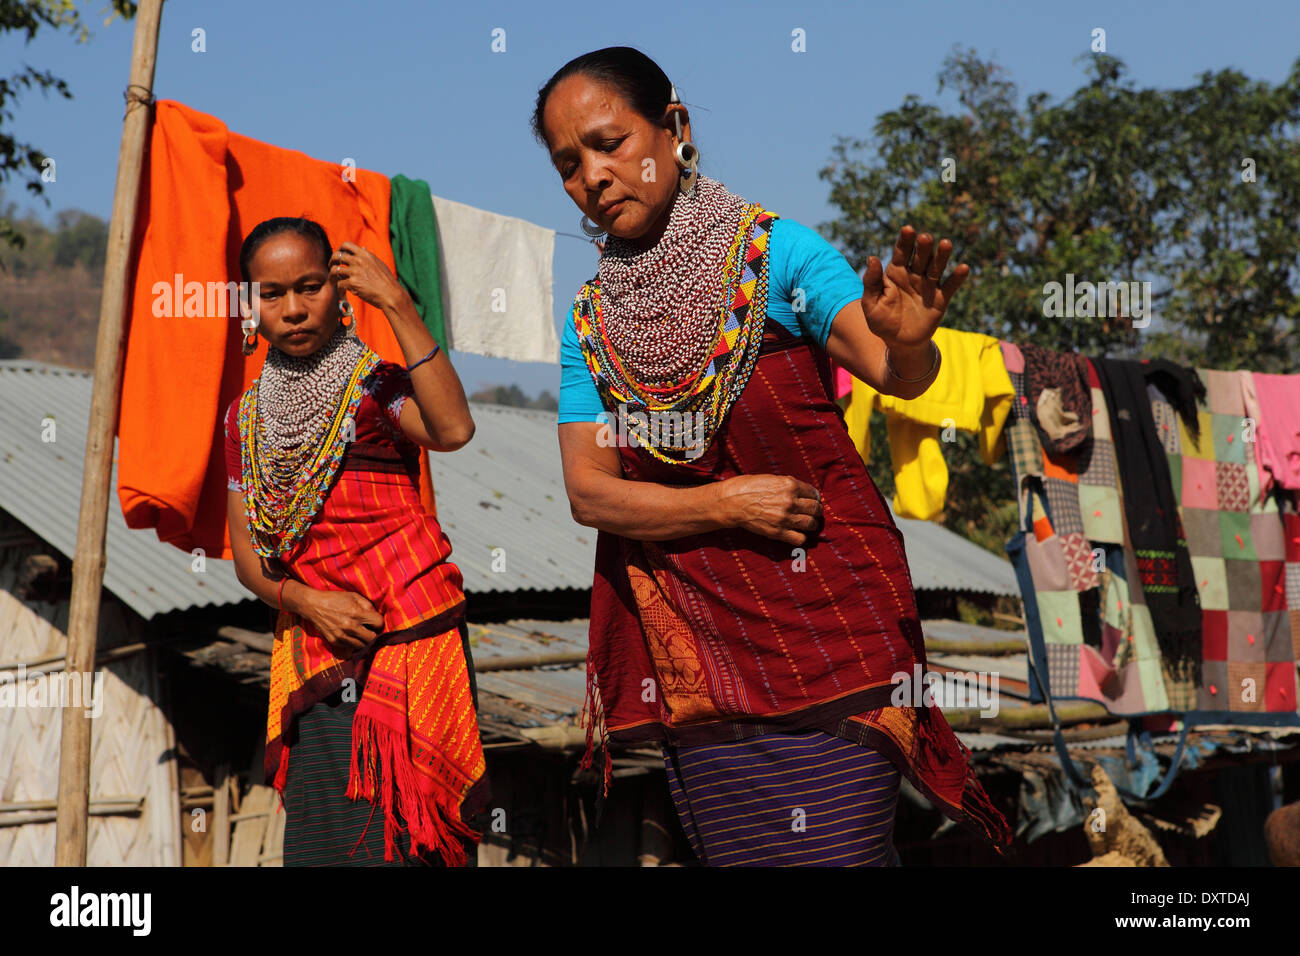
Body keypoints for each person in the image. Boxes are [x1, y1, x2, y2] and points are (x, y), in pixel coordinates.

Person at [534, 47, 1012, 866]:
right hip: (701, 667)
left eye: (610, 142)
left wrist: (912, 347)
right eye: (569, 163)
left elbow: (889, 368)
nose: (594, 175)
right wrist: (724, 504)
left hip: (838, 637)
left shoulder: (778, 256)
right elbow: (590, 492)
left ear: (674, 129)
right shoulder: (590, 326)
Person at [222, 216, 487, 866]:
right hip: (319, 655)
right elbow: (251, 567)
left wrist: (394, 300)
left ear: (340, 295)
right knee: (331, 843)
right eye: (272, 293)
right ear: (250, 306)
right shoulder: (243, 420)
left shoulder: (377, 391)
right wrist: (313, 604)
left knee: (416, 840)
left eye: (309, 287)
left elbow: (453, 429)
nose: (292, 309)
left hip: (413, 640)